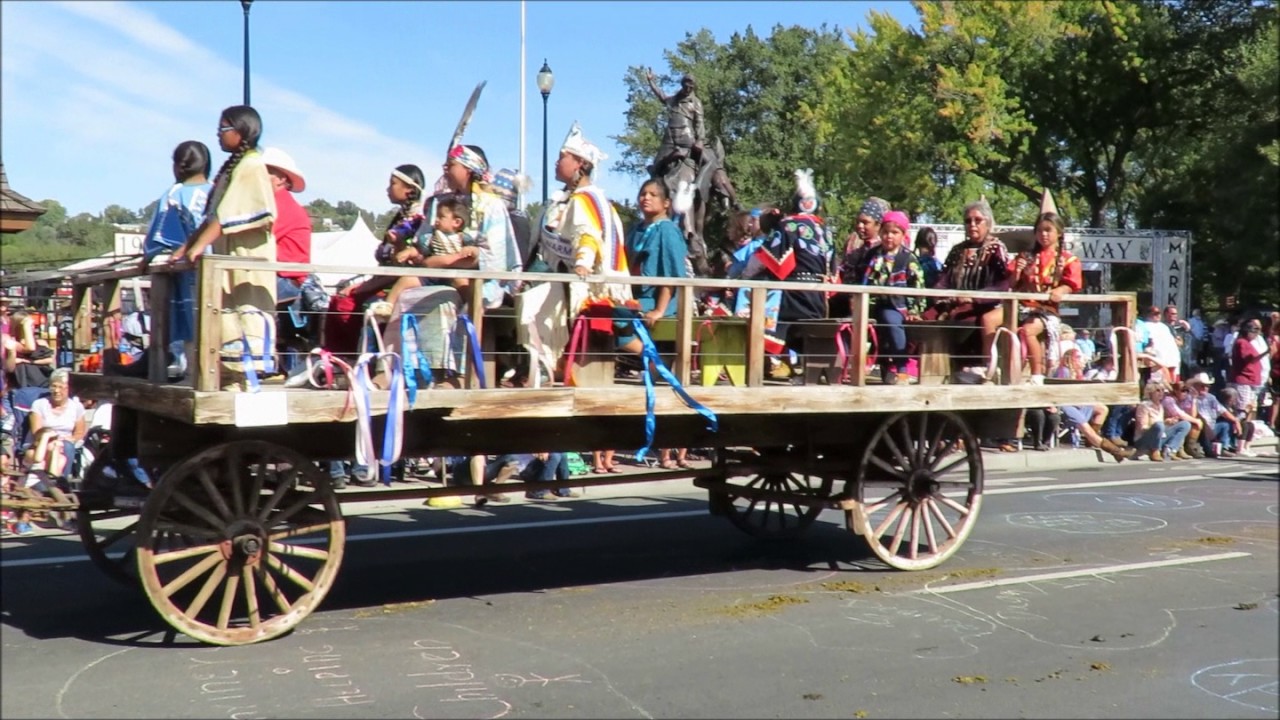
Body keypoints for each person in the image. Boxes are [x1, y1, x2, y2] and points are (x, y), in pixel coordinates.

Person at [170, 105, 277, 391]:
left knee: (247, 313)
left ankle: (246, 379)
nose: (218, 134)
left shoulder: (253, 166)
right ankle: (231, 376)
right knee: (228, 315)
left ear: (241, 131)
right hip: (228, 254)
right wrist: (186, 246)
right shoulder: (235, 166)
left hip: (247, 257)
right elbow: (212, 217)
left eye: (223, 128)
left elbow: (227, 215)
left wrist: (196, 248)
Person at [140, 140, 213, 381]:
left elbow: (158, 239)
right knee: (211, 325)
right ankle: (211, 375)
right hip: (217, 272)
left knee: (190, 326)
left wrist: (146, 258)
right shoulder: (216, 192)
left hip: (185, 273)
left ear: (178, 166)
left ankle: (193, 375)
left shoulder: (174, 195)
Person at [934, 198, 1010, 373]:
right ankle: (928, 369)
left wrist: (974, 297)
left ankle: (978, 368)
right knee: (926, 319)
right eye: (968, 221)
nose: (972, 225)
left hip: (986, 305)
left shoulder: (996, 249)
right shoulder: (957, 250)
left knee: (964, 319)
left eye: (978, 220)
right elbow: (942, 280)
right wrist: (945, 296)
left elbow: (1003, 283)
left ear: (988, 223)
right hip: (954, 303)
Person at [261, 146, 313, 377]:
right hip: (283, 276)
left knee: (239, 298)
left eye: (267, 172)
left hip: (286, 278)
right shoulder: (278, 204)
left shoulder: (279, 206)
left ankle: (258, 361)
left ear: (281, 178)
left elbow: (261, 241)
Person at [620, 178, 687, 353]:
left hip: (655, 301)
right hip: (633, 296)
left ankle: (655, 360)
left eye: (653, 194)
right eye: (642, 194)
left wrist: (659, 310)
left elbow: (671, 276)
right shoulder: (636, 228)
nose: (646, 198)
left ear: (666, 203)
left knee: (612, 316)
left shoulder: (667, 230)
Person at [862, 210, 925, 385]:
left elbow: (917, 285)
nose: (889, 236)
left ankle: (902, 368)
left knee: (890, 320)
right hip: (873, 302)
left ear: (903, 235)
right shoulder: (873, 255)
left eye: (895, 232)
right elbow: (864, 278)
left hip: (899, 304)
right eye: (886, 232)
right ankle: (866, 365)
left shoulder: (908, 258)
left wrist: (914, 309)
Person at [832, 196, 890, 317]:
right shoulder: (855, 253)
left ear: (878, 225)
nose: (859, 226)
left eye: (865, 222)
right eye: (858, 221)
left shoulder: (885, 253)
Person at [644, 69, 706, 182]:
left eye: (691, 87)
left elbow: (699, 121)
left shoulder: (696, 102)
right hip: (670, 135)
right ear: (682, 85)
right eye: (686, 85)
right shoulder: (674, 100)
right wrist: (651, 81)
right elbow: (661, 96)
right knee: (657, 163)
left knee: (701, 158)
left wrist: (700, 139)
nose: (688, 89)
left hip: (685, 135)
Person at [1128, 383, 1191, 462]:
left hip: (1159, 438)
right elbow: (1142, 427)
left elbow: (1160, 426)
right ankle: (1155, 451)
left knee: (1185, 424)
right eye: (1158, 390)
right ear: (1150, 392)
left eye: (1162, 390)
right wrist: (1159, 426)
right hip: (1144, 439)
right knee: (1159, 425)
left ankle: (1169, 450)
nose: (1161, 393)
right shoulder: (1144, 406)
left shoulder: (1160, 406)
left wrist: (1166, 423)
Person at [1188, 372, 1240, 457]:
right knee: (1202, 421)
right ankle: (1208, 449)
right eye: (1202, 386)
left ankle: (1223, 448)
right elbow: (1193, 415)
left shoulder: (1210, 397)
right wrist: (1194, 399)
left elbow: (1222, 411)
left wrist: (1235, 421)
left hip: (1212, 427)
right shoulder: (1190, 397)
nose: (1205, 388)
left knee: (1225, 424)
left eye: (1207, 386)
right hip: (1198, 427)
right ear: (1195, 386)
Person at [1227, 318, 1266, 430]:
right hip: (1243, 381)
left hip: (1250, 381)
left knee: (1248, 409)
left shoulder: (1248, 343)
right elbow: (1249, 359)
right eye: (1255, 330)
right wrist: (1267, 352)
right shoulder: (1241, 342)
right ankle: (1237, 435)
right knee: (1241, 411)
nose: (1257, 334)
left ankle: (1242, 438)